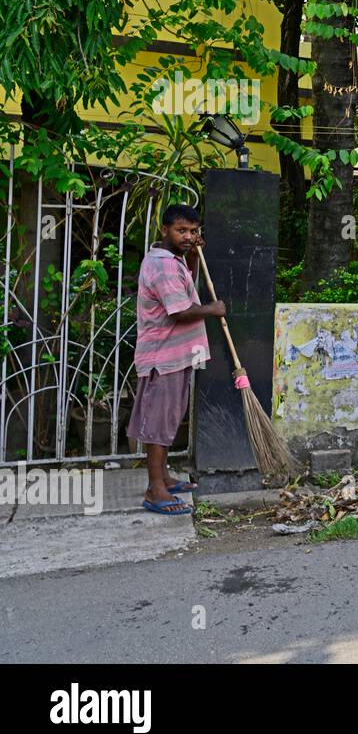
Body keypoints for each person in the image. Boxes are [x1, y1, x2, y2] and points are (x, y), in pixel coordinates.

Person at [129, 204, 225, 515]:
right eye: (181, 231)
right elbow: (180, 311)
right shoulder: (164, 266)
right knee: (158, 423)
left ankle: (165, 478)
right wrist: (213, 310)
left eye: (193, 231)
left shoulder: (175, 261)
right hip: (163, 357)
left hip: (177, 356)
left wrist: (194, 257)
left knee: (169, 418)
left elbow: (187, 288)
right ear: (165, 230)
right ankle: (155, 490)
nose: (188, 236)